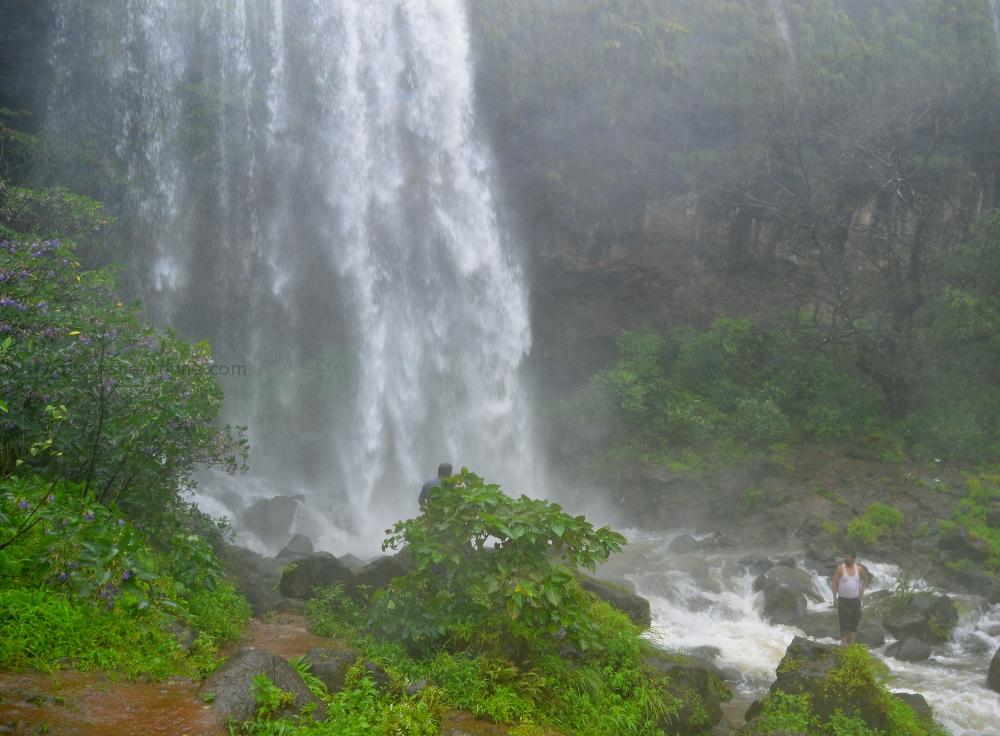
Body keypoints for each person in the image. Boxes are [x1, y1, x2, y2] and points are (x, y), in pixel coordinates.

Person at [832, 549, 868, 645]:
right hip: (843, 600)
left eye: (847, 557)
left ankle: (852, 645)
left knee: (855, 620)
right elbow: (835, 583)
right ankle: (844, 645)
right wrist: (835, 598)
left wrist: (862, 591)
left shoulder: (859, 569)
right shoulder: (840, 568)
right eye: (844, 557)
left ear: (853, 559)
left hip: (855, 600)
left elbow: (865, 578)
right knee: (843, 621)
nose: (845, 559)